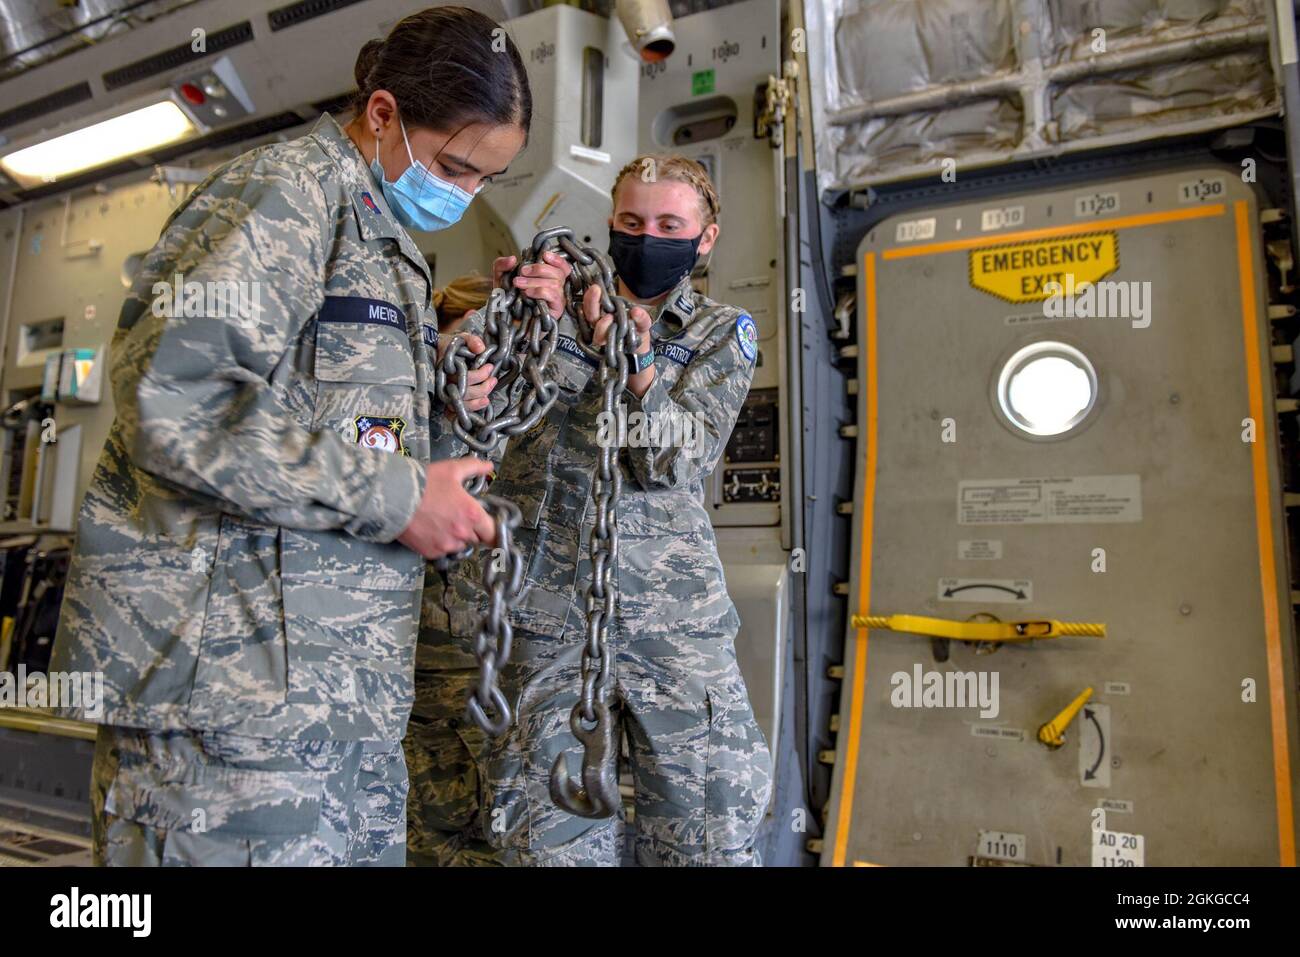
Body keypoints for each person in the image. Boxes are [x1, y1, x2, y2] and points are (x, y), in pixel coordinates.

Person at [47, 6, 533, 867]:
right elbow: (177, 397)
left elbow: (332, 423)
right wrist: (399, 496)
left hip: (340, 708)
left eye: (485, 179)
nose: (464, 194)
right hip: (227, 716)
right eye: (456, 167)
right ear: (382, 113)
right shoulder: (283, 198)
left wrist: (435, 402)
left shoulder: (383, 242)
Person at [414, 154, 772, 866]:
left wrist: (629, 359)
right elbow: (463, 418)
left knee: (709, 831)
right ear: (610, 225)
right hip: (545, 621)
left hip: (674, 625)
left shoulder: (720, 332)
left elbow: (674, 462)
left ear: (705, 238)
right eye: (632, 222)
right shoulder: (548, 305)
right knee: (545, 843)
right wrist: (513, 323)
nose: (648, 238)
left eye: (670, 225)